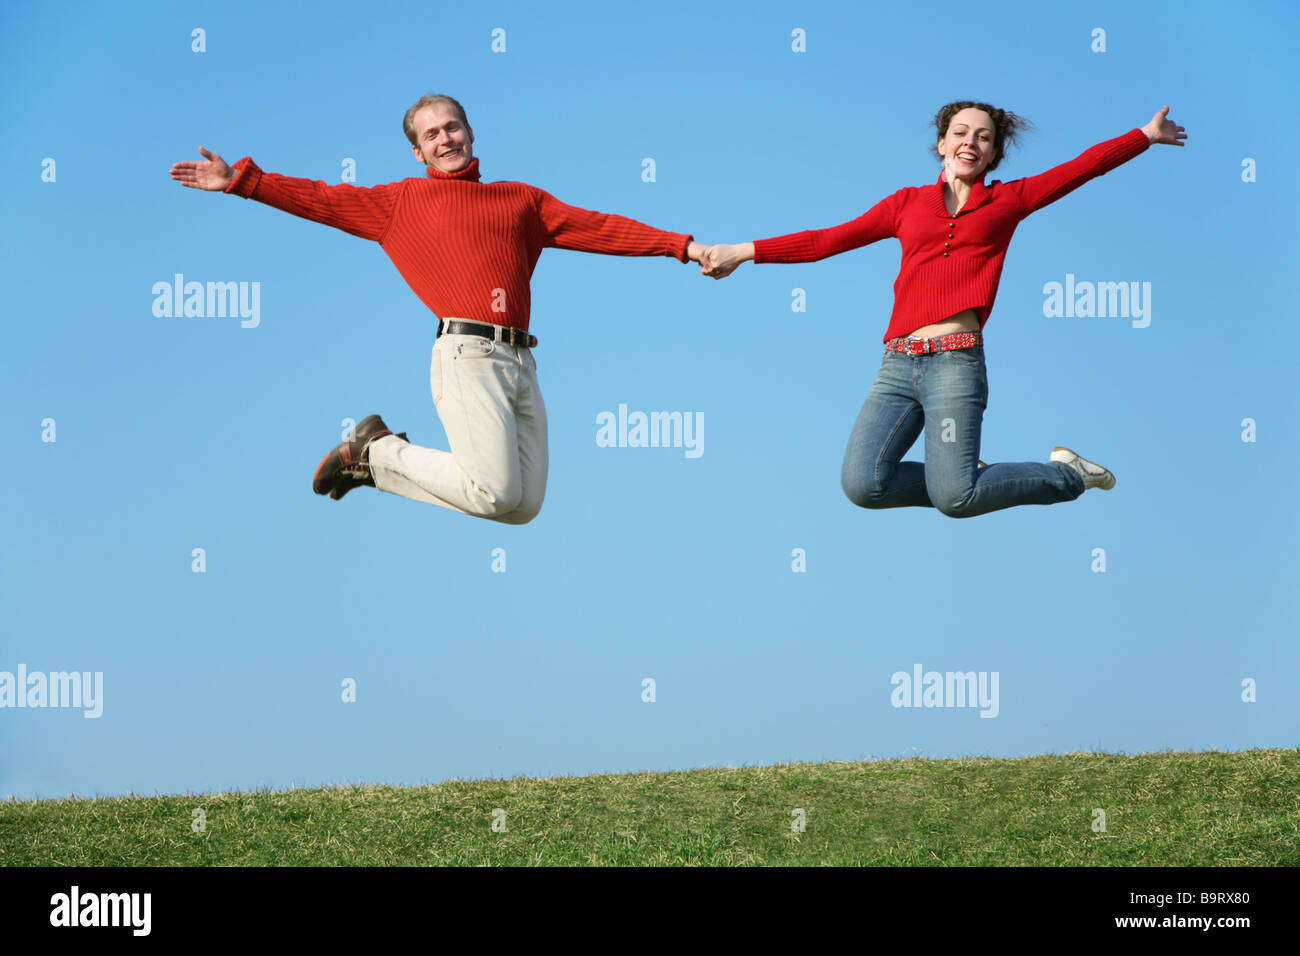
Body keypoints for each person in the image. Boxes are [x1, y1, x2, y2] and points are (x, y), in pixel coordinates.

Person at [169, 94, 707, 523]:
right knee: (495, 493)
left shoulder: (521, 200)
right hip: (466, 353)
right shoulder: (401, 202)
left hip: (522, 361)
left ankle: (372, 457)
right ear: (417, 154)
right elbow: (325, 200)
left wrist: (682, 246)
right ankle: (372, 454)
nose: (444, 139)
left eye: (452, 128)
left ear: (471, 133)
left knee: (523, 507)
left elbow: (602, 227)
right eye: (431, 135)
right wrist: (245, 182)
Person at [702, 103, 1186, 518]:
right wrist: (741, 251)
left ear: (994, 153)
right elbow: (824, 241)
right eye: (960, 133)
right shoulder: (904, 205)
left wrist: (1143, 136)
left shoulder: (1007, 201)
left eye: (983, 137)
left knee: (955, 498)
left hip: (955, 365)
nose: (970, 142)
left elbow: (1082, 167)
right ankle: (953, 471)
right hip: (897, 365)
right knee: (863, 486)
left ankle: (1066, 475)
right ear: (940, 144)